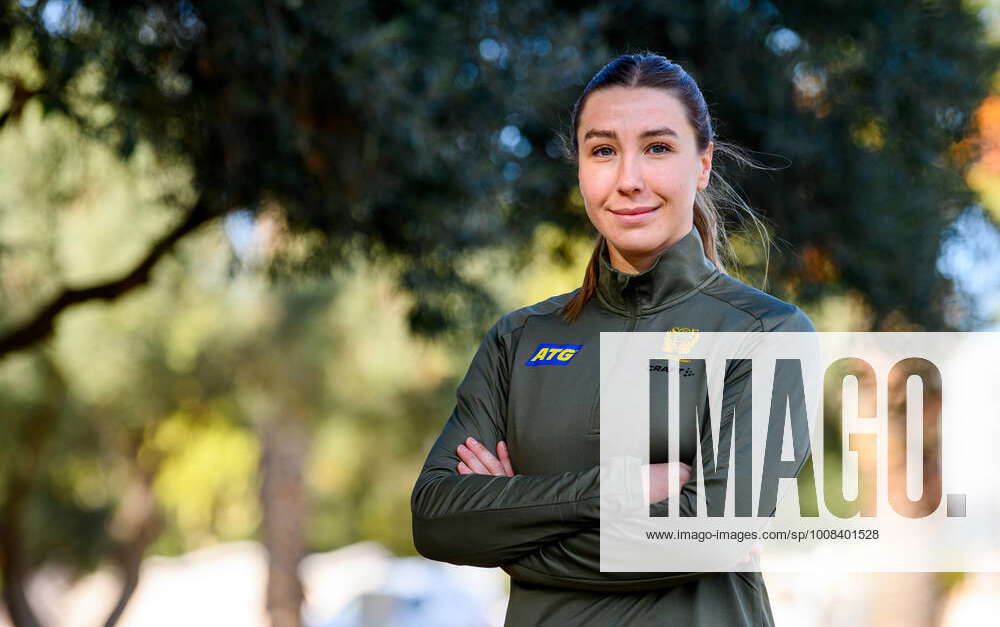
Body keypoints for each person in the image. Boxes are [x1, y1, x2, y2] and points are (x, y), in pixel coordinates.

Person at [411, 52, 814, 626]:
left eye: (657, 148)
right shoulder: (519, 338)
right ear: (579, 168)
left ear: (702, 164)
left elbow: (709, 534)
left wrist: (513, 529)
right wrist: (620, 490)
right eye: (603, 151)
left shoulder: (766, 334)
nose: (628, 180)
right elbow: (436, 519)